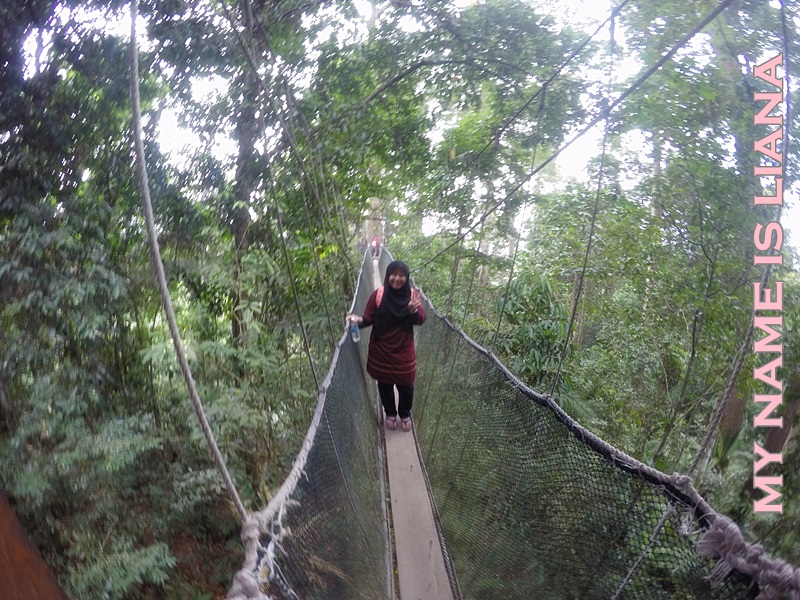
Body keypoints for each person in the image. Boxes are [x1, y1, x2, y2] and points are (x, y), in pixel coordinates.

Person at [347, 260, 425, 431]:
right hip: (381, 350)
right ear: (388, 275)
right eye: (394, 274)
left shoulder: (412, 295)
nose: (397, 278)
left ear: (407, 277)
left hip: (404, 350)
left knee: (406, 386)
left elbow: (421, 320)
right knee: (384, 384)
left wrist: (412, 311)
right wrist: (359, 320)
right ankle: (390, 412)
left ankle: (404, 414)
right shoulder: (378, 295)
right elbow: (369, 317)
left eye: (401, 275)